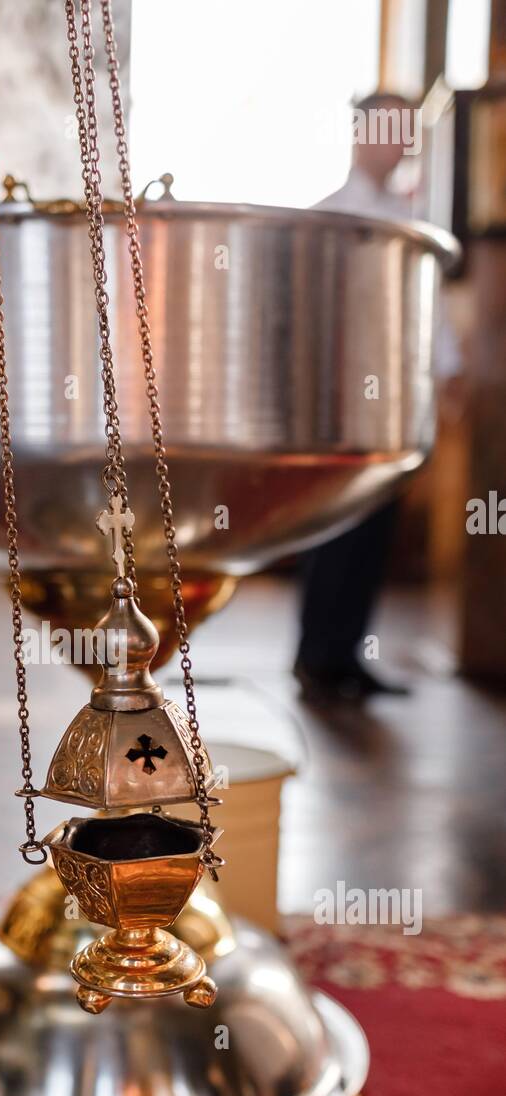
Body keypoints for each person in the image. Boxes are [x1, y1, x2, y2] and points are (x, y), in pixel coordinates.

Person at [294, 92, 424, 703]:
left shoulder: (411, 215)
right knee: (337, 525)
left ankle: (346, 655)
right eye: (392, 127)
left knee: (375, 525)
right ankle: (318, 656)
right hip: (344, 398)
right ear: (363, 131)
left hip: (394, 398)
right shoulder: (333, 216)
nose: (402, 141)